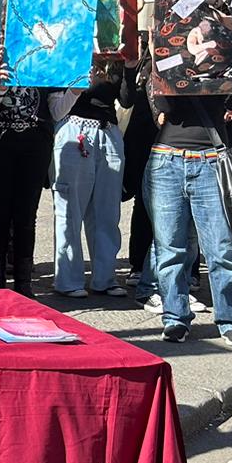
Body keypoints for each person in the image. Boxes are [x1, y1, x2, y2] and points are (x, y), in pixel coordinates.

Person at [144, 77, 232, 346]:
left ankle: (230, 320)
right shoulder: (164, 56)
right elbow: (163, 108)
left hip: (211, 160)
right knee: (169, 248)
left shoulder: (222, 58)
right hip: (167, 158)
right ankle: (175, 317)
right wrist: (169, 67)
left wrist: (225, 70)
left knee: (221, 248)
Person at [51, 56, 137, 297]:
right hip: (75, 128)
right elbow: (55, 105)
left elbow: (127, 99)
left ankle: (105, 277)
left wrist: (129, 64)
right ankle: (68, 279)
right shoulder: (71, 45)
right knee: (70, 209)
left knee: (107, 211)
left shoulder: (113, 57)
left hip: (108, 131)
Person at [0, 70, 49, 296]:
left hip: (35, 145)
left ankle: (23, 283)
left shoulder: (43, 61)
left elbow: (56, 109)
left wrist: (74, 92)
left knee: (26, 215)